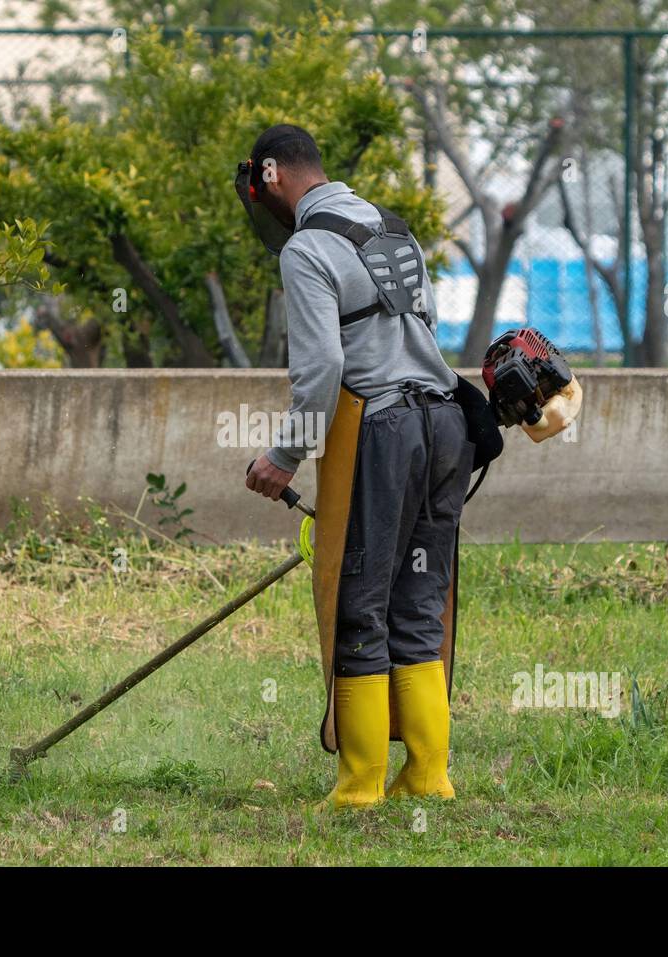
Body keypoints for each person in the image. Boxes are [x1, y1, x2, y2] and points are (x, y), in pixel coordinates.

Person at [238, 124, 474, 809]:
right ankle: (429, 773)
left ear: (274, 173)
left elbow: (322, 371)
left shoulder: (308, 249)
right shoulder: (393, 228)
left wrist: (281, 458)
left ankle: (360, 783)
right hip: (446, 423)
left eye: (260, 185)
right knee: (420, 601)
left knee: (358, 602)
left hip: (387, 429)